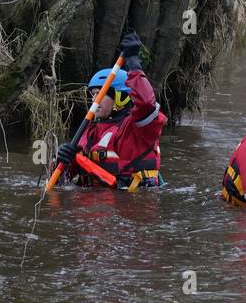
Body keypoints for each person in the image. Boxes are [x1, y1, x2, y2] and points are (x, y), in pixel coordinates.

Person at [56, 32, 165, 189]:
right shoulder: (88, 131)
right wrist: (64, 160)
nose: (94, 100)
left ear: (120, 97)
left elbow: (147, 103)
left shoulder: (138, 127)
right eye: (92, 94)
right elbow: (60, 182)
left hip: (128, 204)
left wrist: (134, 64)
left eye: (100, 94)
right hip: (91, 205)